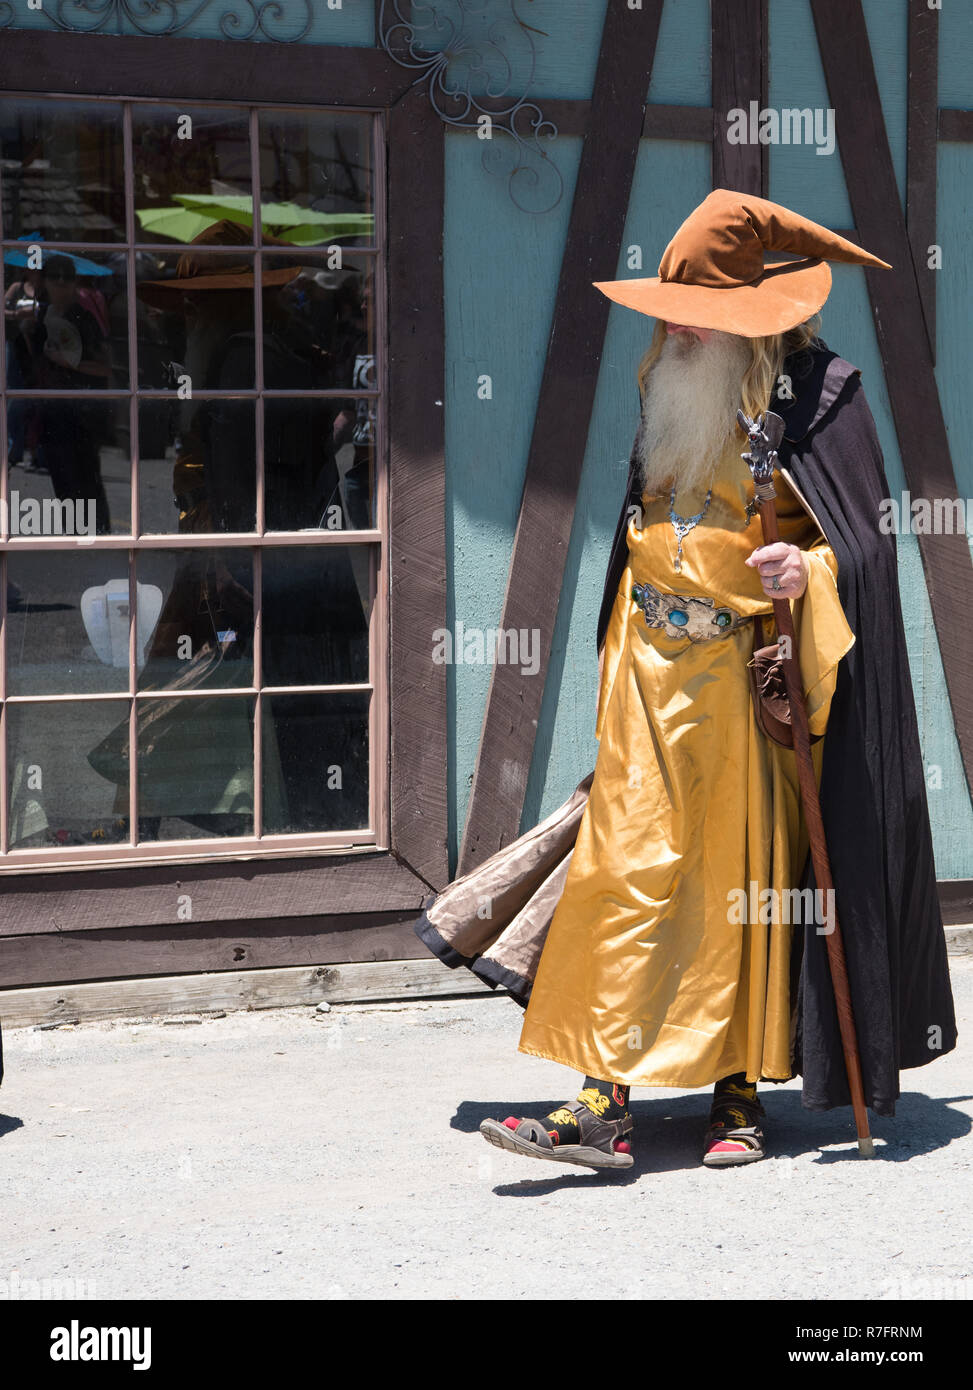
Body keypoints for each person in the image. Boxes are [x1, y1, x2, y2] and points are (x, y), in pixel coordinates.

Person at [418, 189, 957, 1170]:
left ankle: (739, 1096)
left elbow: (863, 550)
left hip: (744, 685)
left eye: (690, 310)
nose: (669, 324)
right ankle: (598, 1102)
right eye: (665, 306)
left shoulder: (823, 397)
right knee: (623, 873)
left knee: (739, 886)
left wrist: (811, 571)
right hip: (643, 666)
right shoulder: (668, 375)